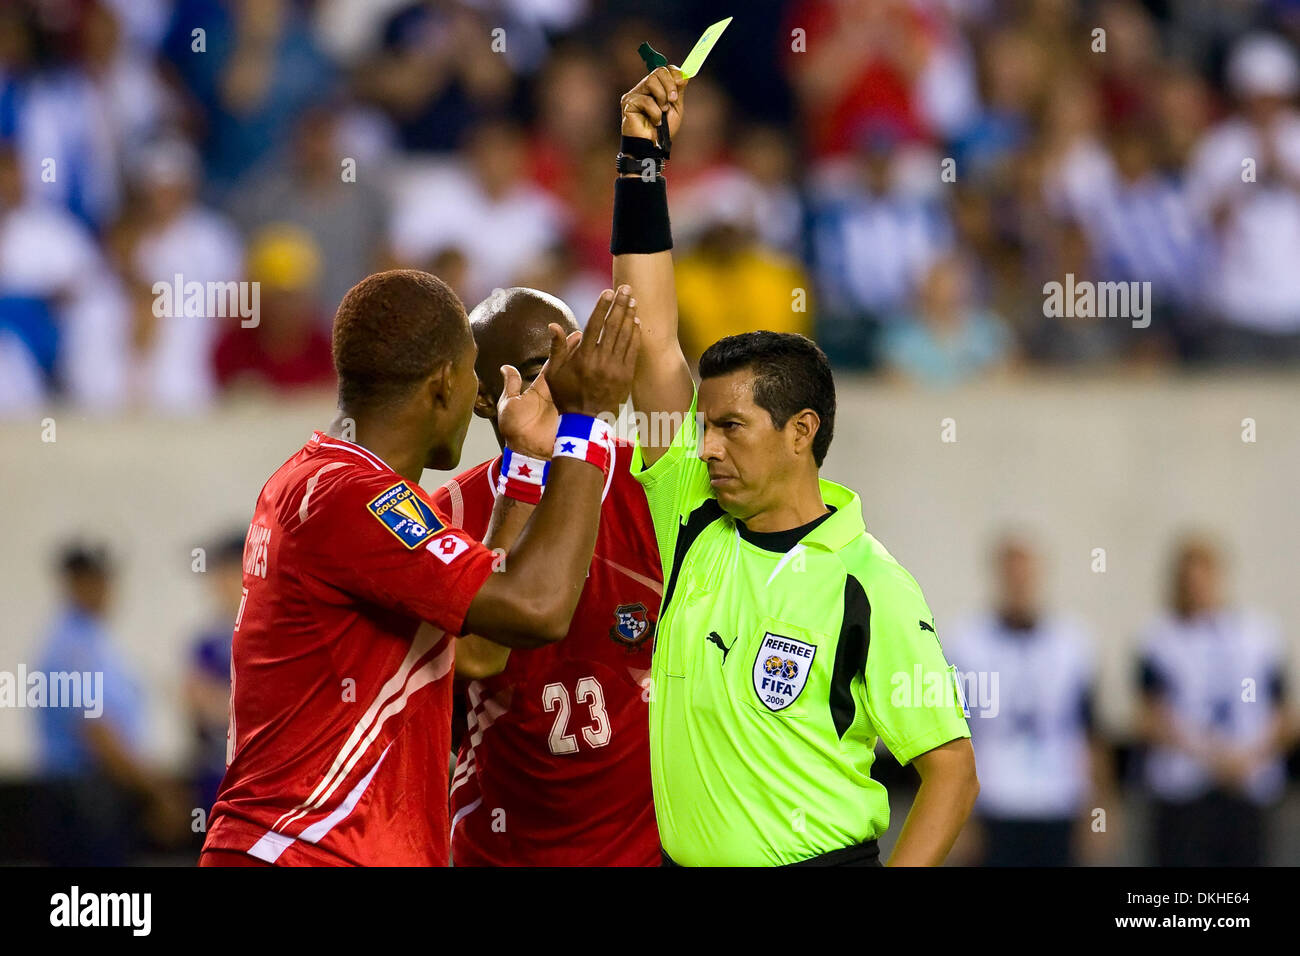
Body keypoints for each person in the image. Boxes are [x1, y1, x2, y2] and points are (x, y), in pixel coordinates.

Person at [611, 67, 978, 866]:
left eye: (730, 427)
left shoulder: (870, 584)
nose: (705, 447)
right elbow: (648, 337)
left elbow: (950, 771)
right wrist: (640, 160)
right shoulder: (691, 514)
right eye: (703, 428)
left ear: (800, 431)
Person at [199, 269, 640, 866]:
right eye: (473, 374)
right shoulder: (355, 499)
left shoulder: (323, 480)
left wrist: (528, 464)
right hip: (305, 849)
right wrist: (585, 424)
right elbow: (539, 608)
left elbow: (481, 652)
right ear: (445, 384)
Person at [431, 287, 662, 867]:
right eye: (542, 368)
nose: (569, 381)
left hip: (650, 847)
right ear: (483, 397)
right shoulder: (445, 516)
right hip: (501, 848)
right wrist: (529, 467)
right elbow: (467, 663)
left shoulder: (651, 489)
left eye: (576, 359)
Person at [947, 534, 1114, 866]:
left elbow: (1091, 730)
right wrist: (955, 815)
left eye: (1025, 573)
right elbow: (949, 737)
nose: (1019, 583)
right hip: (994, 803)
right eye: (1012, 574)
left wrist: (1101, 806)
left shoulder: (1073, 643)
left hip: (1058, 800)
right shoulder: (965, 644)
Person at [1135, 535, 1296, 866]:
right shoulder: (1160, 638)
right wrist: (1212, 757)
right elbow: (1150, 716)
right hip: (1184, 791)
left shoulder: (1259, 635)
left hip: (1246, 787)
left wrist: (1249, 757)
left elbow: (1283, 713)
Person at [35, 542, 188, 865]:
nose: (104, 589)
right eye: (93, 579)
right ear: (74, 584)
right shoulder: (72, 647)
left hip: (104, 792)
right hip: (85, 799)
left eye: (106, 578)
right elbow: (97, 733)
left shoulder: (95, 641)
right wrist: (154, 793)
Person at [184, 532, 247, 819]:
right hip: (214, 781)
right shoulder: (208, 644)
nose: (217, 584)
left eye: (225, 573)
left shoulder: (276, 637)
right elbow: (197, 705)